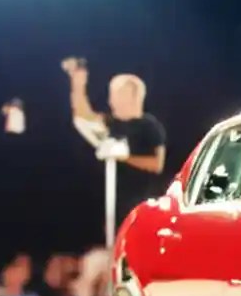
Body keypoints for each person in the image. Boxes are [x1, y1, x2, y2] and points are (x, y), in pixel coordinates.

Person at [62, 58, 167, 226]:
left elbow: (157, 165)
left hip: (141, 204)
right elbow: (83, 116)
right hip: (113, 201)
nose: (112, 100)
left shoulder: (151, 126)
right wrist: (78, 82)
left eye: (118, 94)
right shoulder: (110, 123)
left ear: (134, 96)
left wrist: (124, 157)